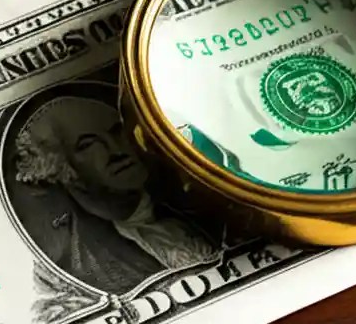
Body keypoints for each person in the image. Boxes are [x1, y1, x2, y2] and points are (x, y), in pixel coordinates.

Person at [12, 94, 218, 295]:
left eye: (117, 131)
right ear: (63, 170)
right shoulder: (81, 266)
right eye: (88, 145)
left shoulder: (193, 204)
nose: (116, 149)